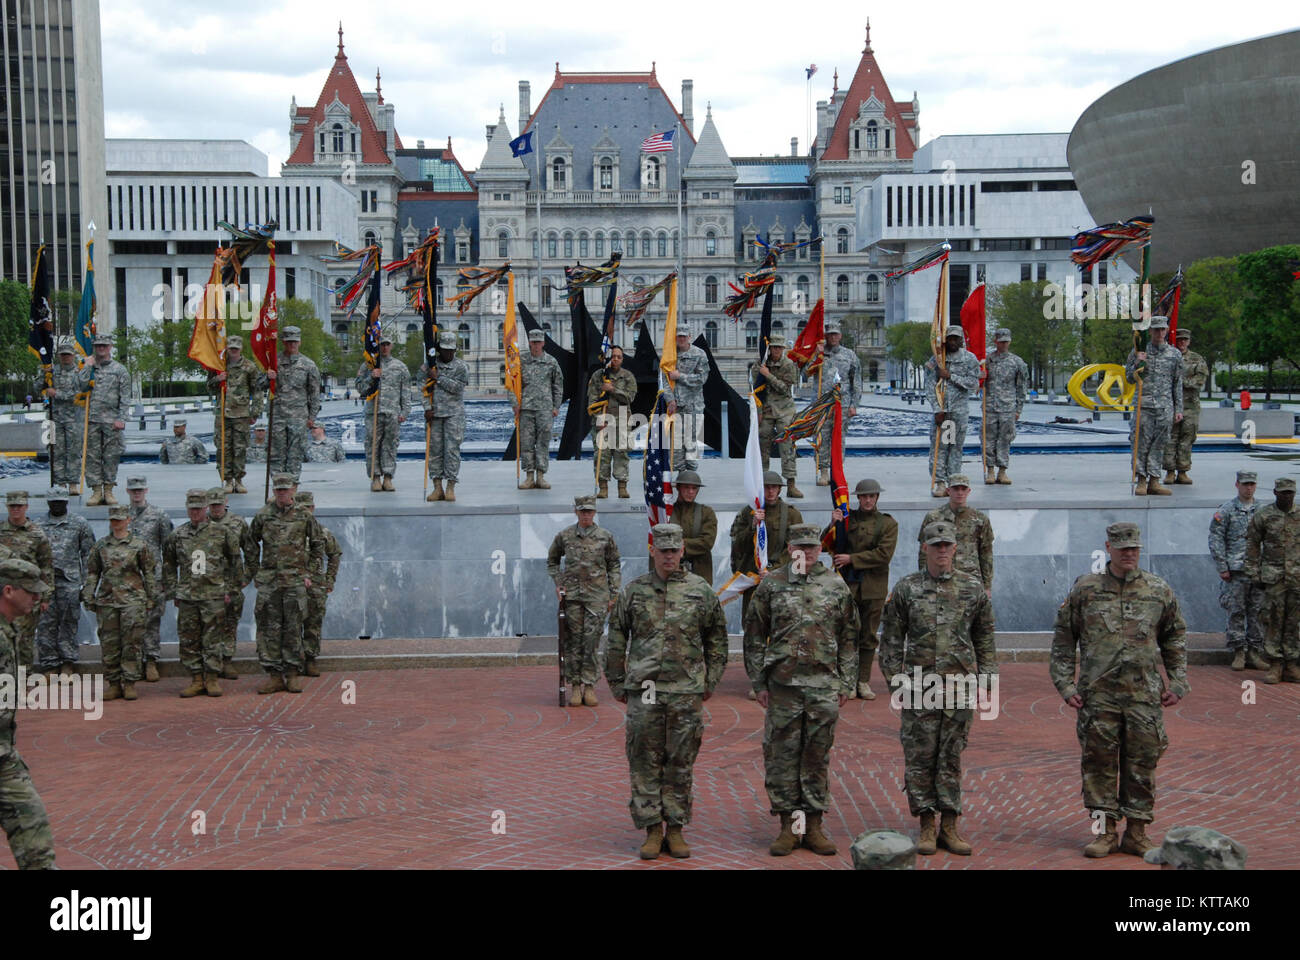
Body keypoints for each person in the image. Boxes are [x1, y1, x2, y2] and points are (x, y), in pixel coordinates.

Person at [1051, 521, 1188, 858]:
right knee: (1098, 765)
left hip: (1144, 697)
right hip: (1099, 697)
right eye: (1123, 547)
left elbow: (1175, 637)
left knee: (1143, 763)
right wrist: (1066, 685)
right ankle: (1104, 832)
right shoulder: (1086, 589)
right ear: (1108, 547)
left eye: (1134, 548)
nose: (1129, 554)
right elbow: (1064, 640)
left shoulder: (1158, 590)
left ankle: (1137, 832)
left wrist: (1179, 681)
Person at [605, 523, 728, 859]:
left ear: (683, 551)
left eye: (674, 550)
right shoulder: (634, 591)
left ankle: (675, 829)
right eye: (663, 550)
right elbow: (616, 638)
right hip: (645, 690)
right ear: (653, 551)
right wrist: (617, 682)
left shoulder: (700, 591)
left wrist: (710, 680)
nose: (669, 556)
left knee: (680, 761)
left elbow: (717, 638)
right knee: (644, 759)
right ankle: (651, 830)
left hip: (685, 692)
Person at [880, 520, 996, 856]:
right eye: (935, 545)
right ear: (924, 548)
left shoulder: (971, 590)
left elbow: (985, 638)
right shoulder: (906, 589)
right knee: (920, 757)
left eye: (947, 544)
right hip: (920, 688)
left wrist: (987, 679)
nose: (942, 550)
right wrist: (896, 683)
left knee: (951, 756)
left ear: (955, 548)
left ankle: (950, 824)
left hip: (959, 686)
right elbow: (890, 642)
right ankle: (926, 825)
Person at [744, 523, 858, 856]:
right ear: (789, 548)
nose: (806, 553)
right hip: (783, 687)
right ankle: (789, 828)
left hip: (823, 686)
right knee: (782, 756)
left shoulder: (835, 586)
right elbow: (753, 635)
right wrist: (758, 681)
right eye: (800, 547)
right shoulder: (772, 586)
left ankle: (815, 826)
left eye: (812, 547)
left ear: (820, 550)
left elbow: (851, 637)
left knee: (816, 756)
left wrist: (847, 681)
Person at [0, 558, 57, 869]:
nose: (36, 598)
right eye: (30, 591)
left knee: (35, 833)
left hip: (4, 757)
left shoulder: (9, 629)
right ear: (8, 591)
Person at [247, 474, 325, 694]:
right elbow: (251, 543)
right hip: (270, 582)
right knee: (269, 629)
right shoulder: (263, 515)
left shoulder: (303, 515)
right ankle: (273, 675)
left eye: (285, 489)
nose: (282, 493)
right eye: (278, 489)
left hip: (294, 581)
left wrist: (310, 572)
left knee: (292, 628)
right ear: (273, 491)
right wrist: (255, 571)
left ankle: (292, 673)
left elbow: (318, 544)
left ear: (293, 490)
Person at [162, 489, 242, 698]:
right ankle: (197, 678)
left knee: (213, 639)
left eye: (199, 509)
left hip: (214, 595)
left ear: (206, 508)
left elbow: (235, 562)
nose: (195, 513)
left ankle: (212, 678)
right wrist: (174, 591)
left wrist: (231, 589)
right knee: (189, 639)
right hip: (188, 596)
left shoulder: (222, 533)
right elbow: (169, 565)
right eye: (192, 509)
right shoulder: (178, 535)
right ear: (187, 509)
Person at [823, 478, 897, 700]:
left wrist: (852, 559)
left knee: (868, 636)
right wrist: (832, 524)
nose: (867, 500)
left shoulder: (888, 524)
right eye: (863, 496)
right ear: (857, 498)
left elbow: (883, 555)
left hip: (873, 587)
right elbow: (825, 545)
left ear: (877, 498)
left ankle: (862, 680)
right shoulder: (846, 519)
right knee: (845, 635)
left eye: (871, 496)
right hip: (848, 586)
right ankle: (846, 681)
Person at [547, 495, 620, 707]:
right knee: (573, 640)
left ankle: (589, 685)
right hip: (572, 597)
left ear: (594, 512)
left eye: (589, 511)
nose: (586, 515)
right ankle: (575, 685)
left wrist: (613, 593)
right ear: (575, 511)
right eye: (582, 511)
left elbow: (614, 564)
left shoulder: (605, 537)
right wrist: (559, 582)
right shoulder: (565, 536)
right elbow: (552, 561)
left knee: (591, 640)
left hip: (597, 597)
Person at [83, 503, 158, 702]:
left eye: (120, 519)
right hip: (107, 601)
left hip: (133, 601)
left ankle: (130, 682)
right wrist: (88, 594)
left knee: (131, 643)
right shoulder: (101, 546)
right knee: (109, 644)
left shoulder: (139, 545)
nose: (116, 523)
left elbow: (148, 573)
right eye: (113, 520)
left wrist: (152, 597)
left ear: (128, 520)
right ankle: (114, 683)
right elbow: (93, 573)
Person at [1243, 477, 1300, 684]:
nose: (1287, 496)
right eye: (1283, 492)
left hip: (1297, 578)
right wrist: (1253, 573)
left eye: (1290, 493)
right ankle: (1275, 664)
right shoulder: (1264, 516)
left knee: (1294, 623)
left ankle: (1292, 664)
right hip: (1273, 577)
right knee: (1273, 620)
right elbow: (1252, 546)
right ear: (1275, 493)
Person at [1209, 470, 1266, 671]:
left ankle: (1254, 651)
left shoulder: (1263, 510)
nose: (1248, 488)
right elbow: (1215, 539)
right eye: (1245, 484)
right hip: (1235, 570)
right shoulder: (1226, 510)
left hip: (1257, 571)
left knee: (1257, 612)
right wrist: (1222, 566)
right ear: (1237, 485)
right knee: (1236, 610)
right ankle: (1239, 651)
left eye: (1251, 484)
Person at [33, 486, 94, 676]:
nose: (57, 505)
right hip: (45, 583)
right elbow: (33, 556)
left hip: (70, 582)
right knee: (46, 623)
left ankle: (68, 661)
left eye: (60, 502)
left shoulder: (79, 524)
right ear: (48, 503)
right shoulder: (38, 525)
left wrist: (86, 584)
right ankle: (50, 664)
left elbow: (89, 555)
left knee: (69, 622)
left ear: (66, 502)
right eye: (53, 502)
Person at [1125, 316, 1183, 496]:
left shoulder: (1174, 354)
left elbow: (1177, 382)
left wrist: (1179, 408)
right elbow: (1129, 378)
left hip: (1165, 406)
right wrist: (1137, 362)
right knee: (1141, 443)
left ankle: (1155, 480)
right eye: (1156, 329)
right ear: (1149, 331)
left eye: (1162, 329)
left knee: (1160, 444)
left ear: (1166, 331)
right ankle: (1141, 480)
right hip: (1144, 405)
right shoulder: (1138, 351)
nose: (1159, 333)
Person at [126, 476, 173, 683]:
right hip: (129, 578)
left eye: (140, 490)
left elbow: (168, 550)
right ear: (128, 491)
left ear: (146, 490)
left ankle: (151, 660)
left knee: (152, 620)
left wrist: (166, 579)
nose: (137, 493)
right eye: (133, 490)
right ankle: (134, 661)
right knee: (131, 622)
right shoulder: (121, 515)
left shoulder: (159, 515)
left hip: (153, 577)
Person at [924, 327, 981, 498]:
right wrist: (937, 409)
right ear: (945, 341)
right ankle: (940, 482)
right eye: (950, 339)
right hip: (942, 412)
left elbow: (973, 384)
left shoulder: (970, 359)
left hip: (959, 412)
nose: (953, 342)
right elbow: (929, 386)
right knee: (940, 447)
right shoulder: (937, 360)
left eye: (956, 339)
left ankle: (954, 483)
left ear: (962, 340)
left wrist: (950, 376)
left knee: (955, 448)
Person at [76, 333, 131, 506]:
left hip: (111, 421)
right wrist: (87, 367)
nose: (101, 348)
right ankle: (96, 491)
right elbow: (80, 385)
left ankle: (108, 489)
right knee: (92, 457)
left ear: (110, 347)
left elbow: (125, 396)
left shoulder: (119, 369)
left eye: (104, 345)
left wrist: (121, 418)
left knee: (111, 456)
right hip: (91, 420)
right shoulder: (89, 368)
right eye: (98, 345)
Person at [0, 491, 53, 668]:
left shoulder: (37, 534)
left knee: (25, 642)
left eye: (19, 506)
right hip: (6, 596)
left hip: (28, 595)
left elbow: (46, 566)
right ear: (7, 507)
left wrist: (45, 596)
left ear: (26, 507)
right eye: (12, 506)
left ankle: (23, 682)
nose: (16, 509)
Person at [916, 474, 993, 594]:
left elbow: (986, 553)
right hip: (939, 578)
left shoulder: (980, 519)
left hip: (971, 580)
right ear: (948, 491)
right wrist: (923, 579)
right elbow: (923, 551)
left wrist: (987, 586)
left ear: (969, 491)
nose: (960, 493)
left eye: (963, 489)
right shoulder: (933, 517)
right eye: (956, 489)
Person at [264, 326, 322, 484]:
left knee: (295, 455)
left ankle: (292, 489)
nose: (292, 345)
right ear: (283, 342)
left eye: (295, 342)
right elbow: (258, 386)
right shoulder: (273, 362)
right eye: (289, 342)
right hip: (278, 416)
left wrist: (312, 417)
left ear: (300, 342)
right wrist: (267, 377)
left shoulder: (308, 365)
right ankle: (278, 489)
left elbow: (315, 393)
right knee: (276, 455)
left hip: (298, 417)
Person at [207, 486, 253, 680]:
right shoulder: (201, 523)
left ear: (226, 503)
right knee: (209, 624)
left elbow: (250, 550)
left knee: (230, 623)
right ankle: (211, 662)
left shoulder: (238, 522)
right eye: (213, 505)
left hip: (232, 583)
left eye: (219, 504)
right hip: (208, 584)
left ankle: (226, 660)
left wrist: (246, 577)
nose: (216, 508)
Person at [208, 334, 264, 493]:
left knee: (240, 448)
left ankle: (238, 480)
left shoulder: (249, 367)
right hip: (222, 414)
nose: (233, 351)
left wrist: (255, 412)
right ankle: (227, 480)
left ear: (240, 349)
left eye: (236, 349)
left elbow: (257, 390)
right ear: (227, 348)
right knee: (223, 447)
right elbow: (209, 387)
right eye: (231, 348)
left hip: (241, 414)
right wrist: (218, 379)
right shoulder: (218, 365)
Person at [807, 318, 860, 486]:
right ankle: (823, 472)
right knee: (821, 438)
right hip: (821, 404)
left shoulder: (849, 355)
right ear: (825, 336)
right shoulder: (819, 354)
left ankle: (837, 470)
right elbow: (804, 374)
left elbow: (856, 382)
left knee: (839, 438)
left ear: (840, 336)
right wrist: (816, 355)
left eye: (835, 335)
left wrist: (854, 405)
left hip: (842, 405)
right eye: (829, 335)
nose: (833, 338)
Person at [355, 334, 410, 492]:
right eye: (381, 344)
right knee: (373, 445)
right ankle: (375, 477)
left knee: (390, 445)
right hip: (374, 412)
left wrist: (405, 411)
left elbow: (405, 392)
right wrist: (371, 378)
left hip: (392, 412)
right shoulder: (368, 366)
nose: (384, 347)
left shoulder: (400, 367)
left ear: (391, 346)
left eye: (387, 344)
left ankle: (388, 477)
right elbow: (360, 389)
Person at [296, 491, 341, 677]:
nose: (306, 512)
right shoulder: (291, 533)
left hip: (316, 586)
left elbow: (335, 554)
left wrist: (330, 579)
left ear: (313, 509)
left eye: (308, 508)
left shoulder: (322, 532)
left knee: (313, 623)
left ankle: (311, 659)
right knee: (293, 624)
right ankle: (295, 660)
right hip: (294, 585)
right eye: (301, 509)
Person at [424, 331, 470, 502]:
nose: (448, 353)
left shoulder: (461, 367)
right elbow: (423, 388)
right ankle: (437, 488)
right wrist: (426, 407)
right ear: (439, 349)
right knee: (435, 452)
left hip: (454, 415)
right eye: (444, 350)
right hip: (434, 415)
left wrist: (439, 378)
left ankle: (450, 486)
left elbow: (458, 388)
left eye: (451, 350)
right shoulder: (430, 365)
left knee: (452, 451)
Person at [756, 333, 804, 498]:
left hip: (785, 410)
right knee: (763, 445)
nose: (776, 350)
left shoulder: (789, 365)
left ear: (783, 349)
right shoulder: (760, 364)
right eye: (773, 347)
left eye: (779, 347)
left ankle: (791, 484)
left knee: (787, 446)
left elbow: (784, 388)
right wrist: (759, 412)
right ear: (769, 348)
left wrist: (767, 375)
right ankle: (763, 482)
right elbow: (755, 391)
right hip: (767, 410)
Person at [586, 345, 637, 499]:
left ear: (622, 359)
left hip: (622, 418)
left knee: (622, 453)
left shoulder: (628, 376)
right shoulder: (598, 376)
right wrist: (598, 420)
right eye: (613, 356)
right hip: (604, 419)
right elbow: (592, 400)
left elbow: (629, 398)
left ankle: (622, 486)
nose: (615, 359)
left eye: (618, 357)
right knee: (602, 454)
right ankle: (603, 487)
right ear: (608, 358)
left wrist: (612, 390)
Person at [1161, 327, 1209, 486]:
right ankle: (1169, 471)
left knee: (1187, 438)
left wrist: (1180, 382)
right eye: (1179, 339)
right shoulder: (1167, 357)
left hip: (1190, 406)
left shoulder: (1197, 359)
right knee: (1170, 438)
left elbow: (1200, 381)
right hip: (1171, 405)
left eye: (1184, 340)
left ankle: (1183, 471)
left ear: (1189, 341)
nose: (1181, 342)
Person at [516, 329, 563, 490]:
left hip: (545, 409)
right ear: (529, 342)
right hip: (526, 409)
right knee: (527, 443)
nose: (536, 345)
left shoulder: (551, 362)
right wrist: (514, 404)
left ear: (543, 343)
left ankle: (541, 476)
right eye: (533, 342)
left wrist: (556, 406)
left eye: (538, 342)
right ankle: (529, 476)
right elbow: (513, 384)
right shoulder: (521, 361)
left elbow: (558, 385)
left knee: (543, 443)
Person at [37, 339, 86, 493]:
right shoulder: (52, 371)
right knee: (56, 451)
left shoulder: (80, 373)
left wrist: (57, 394)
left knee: (73, 451)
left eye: (68, 355)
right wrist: (43, 376)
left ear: (73, 355)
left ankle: (72, 483)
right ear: (59, 356)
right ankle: (60, 483)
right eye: (63, 355)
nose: (65, 357)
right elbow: (37, 387)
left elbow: (80, 394)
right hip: (54, 418)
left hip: (74, 418)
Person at [982, 328, 1028, 485]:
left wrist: (1018, 409)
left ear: (1009, 341)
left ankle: (1002, 471)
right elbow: (980, 381)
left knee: (1005, 438)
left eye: (1005, 341)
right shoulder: (987, 361)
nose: (1003, 344)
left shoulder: (1017, 362)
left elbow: (1021, 387)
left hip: (1008, 407)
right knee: (988, 439)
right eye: (1000, 341)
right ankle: (989, 470)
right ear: (995, 341)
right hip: (990, 406)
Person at [666, 325, 708, 472]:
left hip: (693, 406)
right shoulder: (670, 355)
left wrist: (680, 376)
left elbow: (702, 379)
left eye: (684, 336)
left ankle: (691, 476)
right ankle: (680, 476)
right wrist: (669, 399)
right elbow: (664, 380)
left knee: (690, 442)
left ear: (689, 337)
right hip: (675, 405)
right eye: (679, 336)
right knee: (676, 443)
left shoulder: (699, 354)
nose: (681, 339)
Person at [666, 470, 716, 584]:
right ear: (678, 488)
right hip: (671, 575)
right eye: (686, 488)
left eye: (694, 488)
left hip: (700, 576)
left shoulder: (706, 512)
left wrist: (679, 544)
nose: (690, 492)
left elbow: (707, 542)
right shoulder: (667, 512)